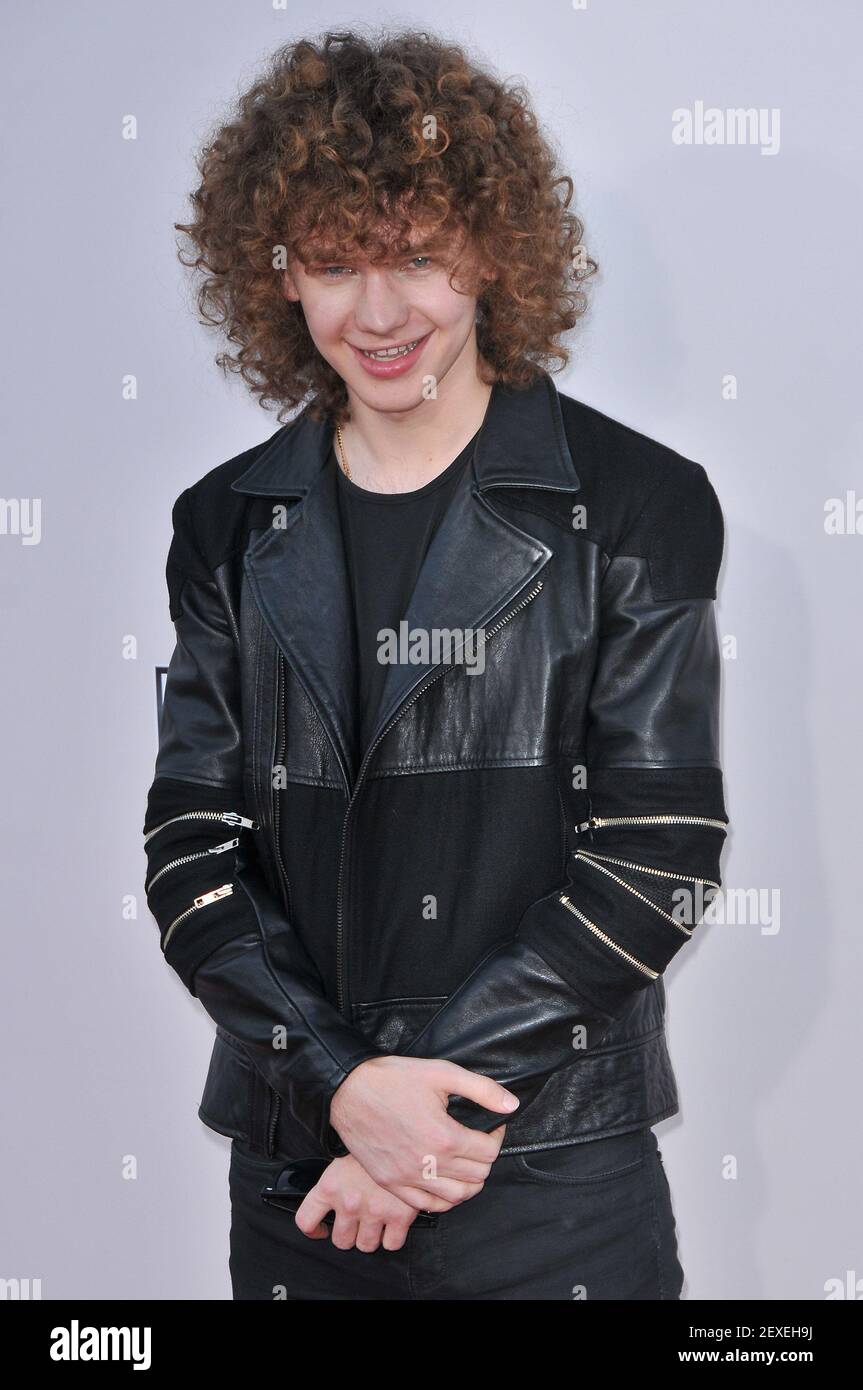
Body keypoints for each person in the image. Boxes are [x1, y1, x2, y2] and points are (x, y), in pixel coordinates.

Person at [143, 27, 730, 1300]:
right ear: (278, 275)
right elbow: (192, 842)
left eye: (416, 254)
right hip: (301, 1167)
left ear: (490, 252)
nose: (378, 310)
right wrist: (342, 1085)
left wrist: (423, 1120)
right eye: (335, 261)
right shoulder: (224, 525)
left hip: (551, 1172)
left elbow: (662, 843)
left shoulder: (634, 501)